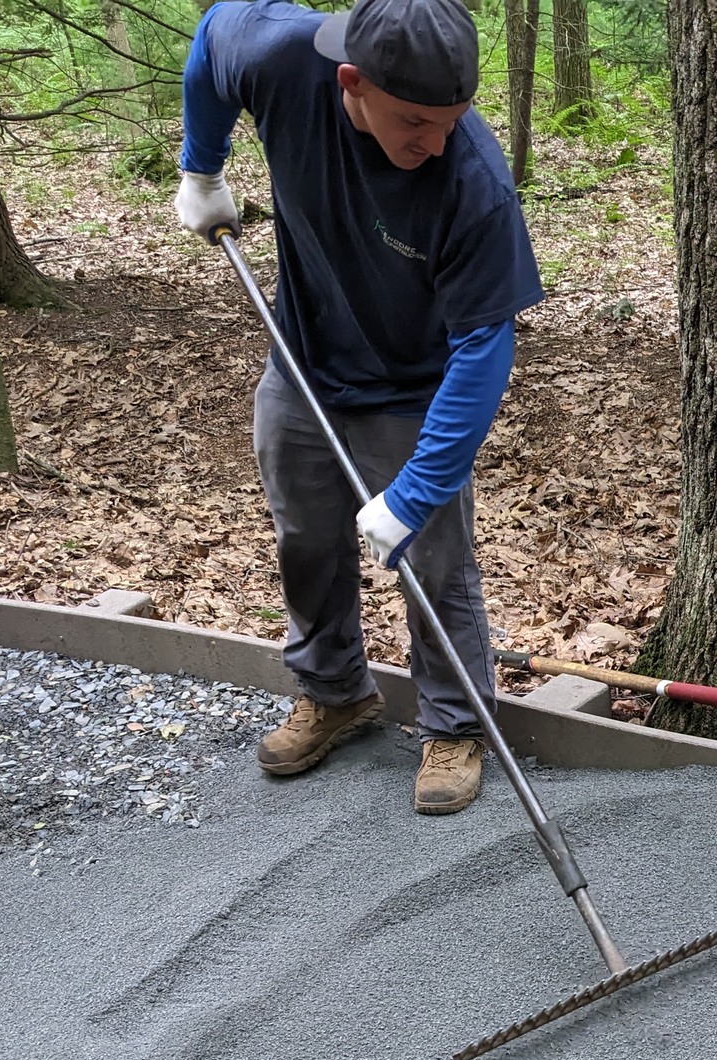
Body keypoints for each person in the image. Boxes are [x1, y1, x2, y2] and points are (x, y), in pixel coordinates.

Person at [173, 0, 541, 813]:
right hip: (302, 363)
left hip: (415, 390)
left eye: (452, 121)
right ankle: (335, 692)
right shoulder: (274, 56)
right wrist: (201, 168)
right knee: (304, 538)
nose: (436, 142)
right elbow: (210, 43)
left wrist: (410, 497)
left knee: (435, 563)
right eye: (416, 122)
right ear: (352, 82)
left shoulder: (473, 181)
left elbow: (485, 350)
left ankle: (454, 723)